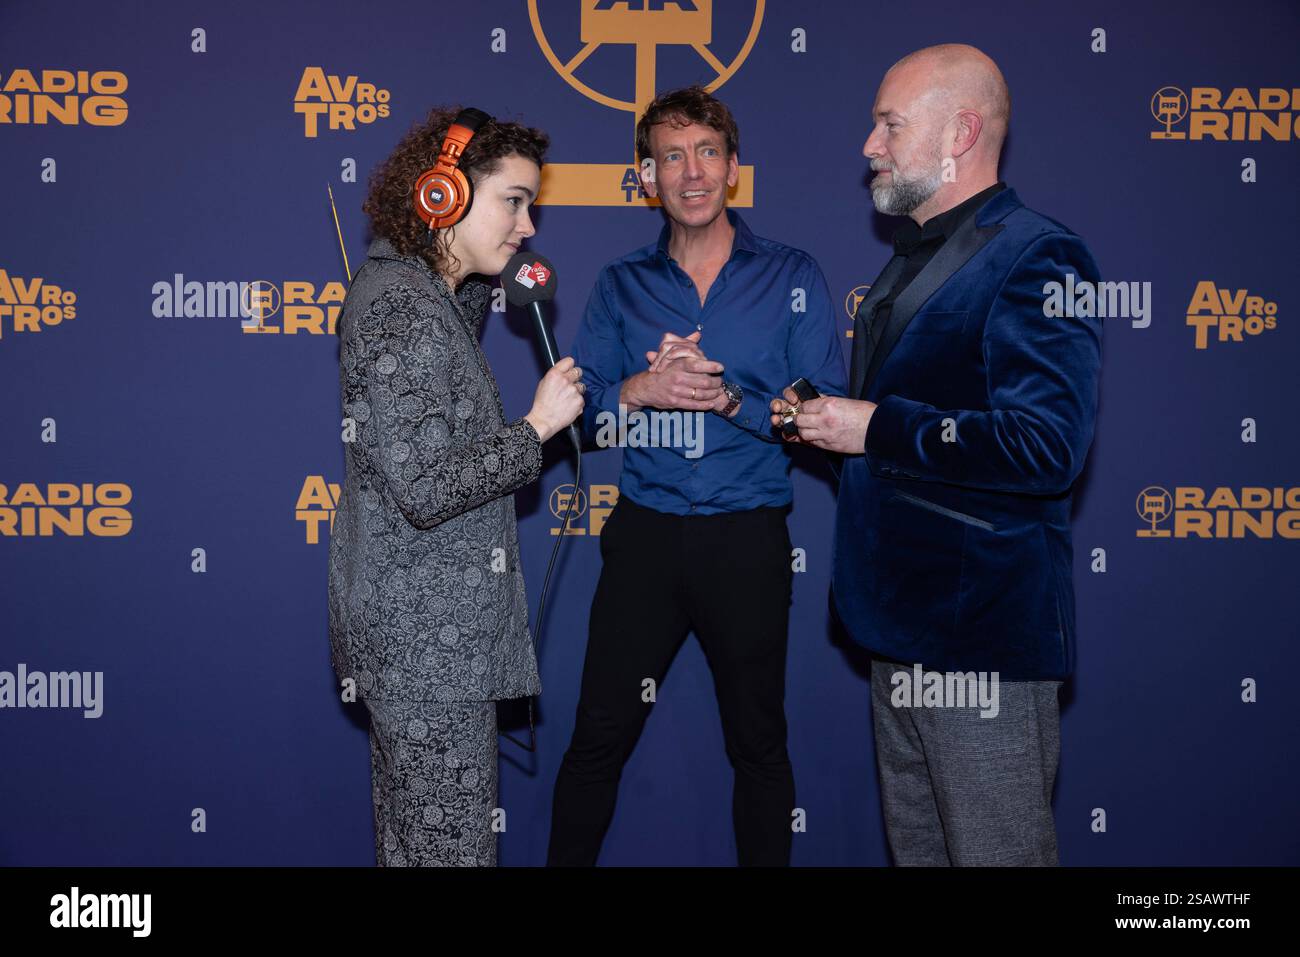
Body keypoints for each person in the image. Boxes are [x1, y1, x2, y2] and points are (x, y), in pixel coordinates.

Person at [771, 44, 1102, 866]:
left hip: (981, 641)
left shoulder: (1039, 256)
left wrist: (873, 425)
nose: (868, 145)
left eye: (889, 124)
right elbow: (904, 445)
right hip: (896, 631)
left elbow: (1045, 446)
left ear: (960, 131)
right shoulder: (913, 257)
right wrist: (823, 424)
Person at [547, 86, 846, 866]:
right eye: (670, 156)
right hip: (644, 536)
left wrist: (732, 398)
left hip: (747, 537)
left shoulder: (794, 275)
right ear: (647, 176)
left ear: (734, 168)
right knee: (596, 738)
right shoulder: (620, 285)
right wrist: (638, 392)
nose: (691, 173)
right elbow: (578, 421)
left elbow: (824, 413)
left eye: (706, 152)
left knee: (759, 743)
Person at [327, 106, 584, 866]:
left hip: (429, 646)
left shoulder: (422, 298)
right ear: (443, 193)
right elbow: (425, 484)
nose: (529, 223)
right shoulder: (401, 305)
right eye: (513, 200)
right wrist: (536, 431)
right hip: (426, 651)